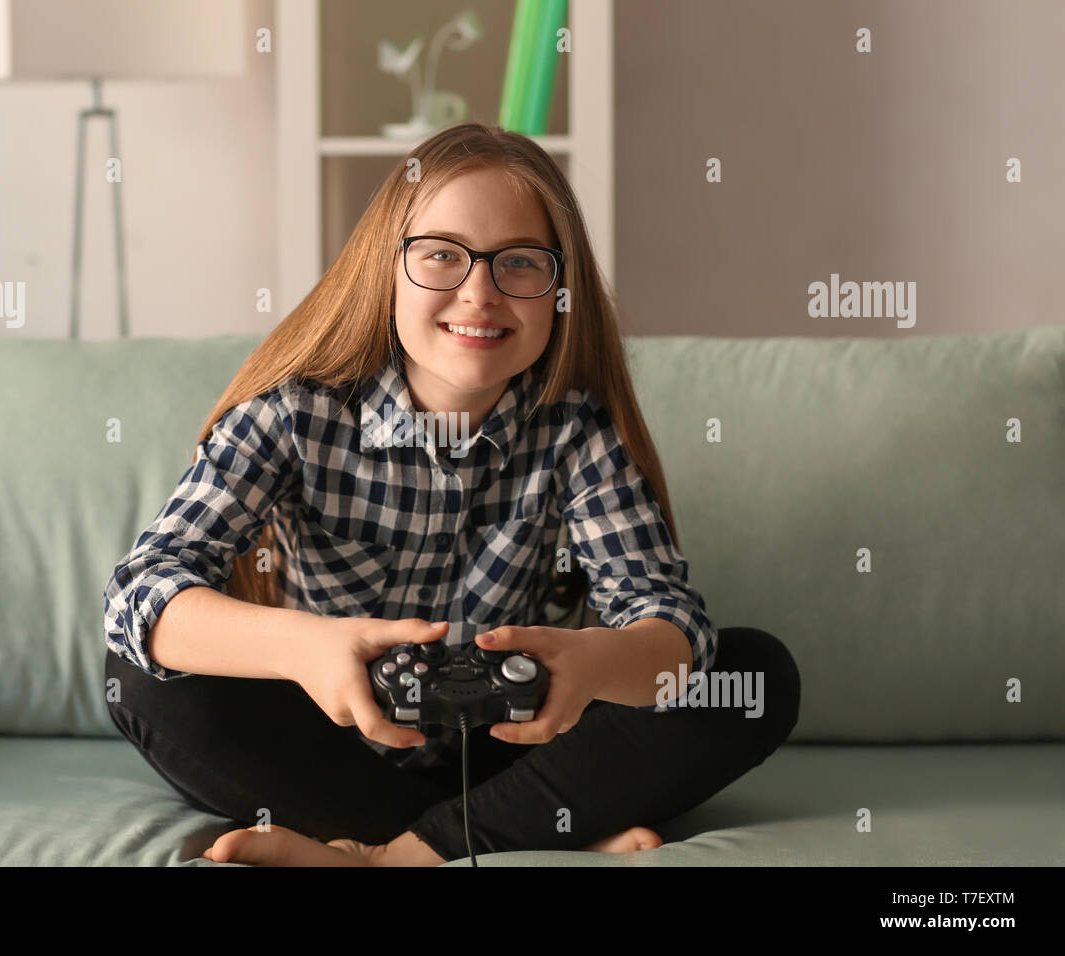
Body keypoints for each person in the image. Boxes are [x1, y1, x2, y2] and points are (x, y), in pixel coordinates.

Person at [102, 121, 800, 866]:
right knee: (140, 677)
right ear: (387, 271)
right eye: (440, 256)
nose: (479, 293)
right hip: (337, 754)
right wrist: (306, 647)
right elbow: (140, 593)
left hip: (516, 749)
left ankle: (395, 854)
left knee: (752, 674)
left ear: (561, 291)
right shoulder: (291, 414)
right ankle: (495, 835)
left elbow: (669, 621)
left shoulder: (573, 428)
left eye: (520, 264)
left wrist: (596, 661)